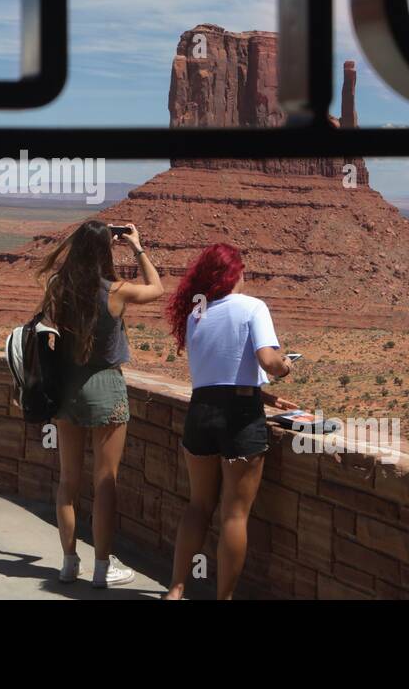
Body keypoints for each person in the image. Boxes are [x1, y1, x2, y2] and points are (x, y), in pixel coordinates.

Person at [163, 244, 296, 600]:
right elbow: (268, 360)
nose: (245, 276)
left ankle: (176, 589)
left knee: (198, 505)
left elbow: (215, 373)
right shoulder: (253, 307)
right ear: (233, 273)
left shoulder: (196, 313)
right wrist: (285, 367)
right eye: (242, 270)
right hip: (239, 417)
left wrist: (265, 396)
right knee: (234, 516)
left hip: (201, 412)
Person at [37, 220, 164, 587]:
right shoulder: (117, 291)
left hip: (67, 391)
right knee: (105, 482)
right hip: (106, 387)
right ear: (105, 251)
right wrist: (137, 246)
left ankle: (68, 562)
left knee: (68, 482)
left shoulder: (58, 288)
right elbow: (158, 288)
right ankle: (103, 568)